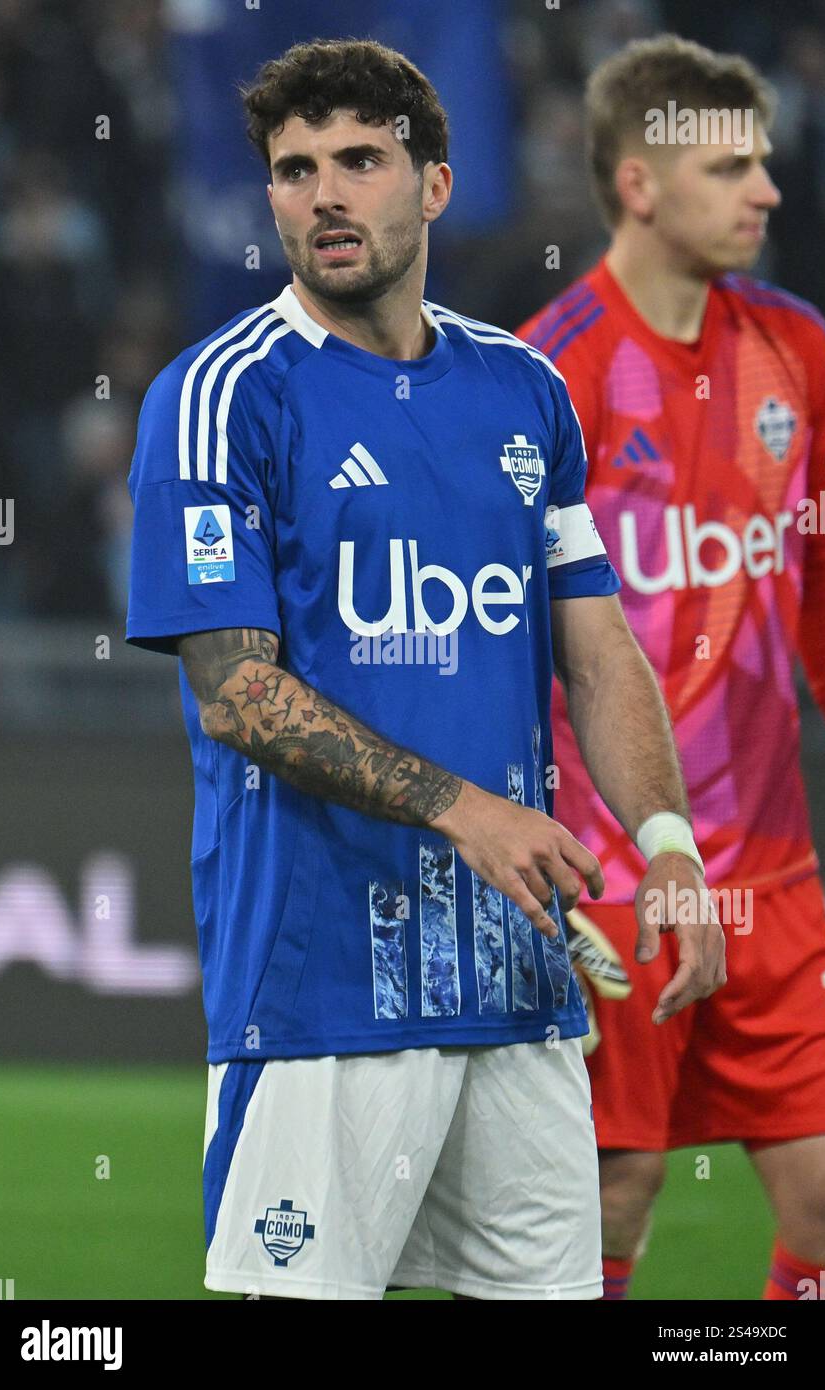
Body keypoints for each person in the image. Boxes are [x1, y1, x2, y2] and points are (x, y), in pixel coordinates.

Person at [125, 36, 724, 1302]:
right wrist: (466, 809)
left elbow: (594, 642)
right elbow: (236, 688)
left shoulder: (523, 391)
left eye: (359, 160)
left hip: (515, 985)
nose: (323, 195)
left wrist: (665, 837)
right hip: (320, 992)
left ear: (434, 185)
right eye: (294, 171)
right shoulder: (219, 395)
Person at [517, 33, 825, 1302]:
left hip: (773, 867)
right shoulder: (549, 372)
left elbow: (821, 578)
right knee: (613, 1187)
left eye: (763, 165)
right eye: (729, 168)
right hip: (615, 865)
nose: (765, 191)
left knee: (824, 1192)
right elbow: (509, 620)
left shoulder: (799, 351)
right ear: (639, 185)